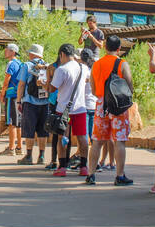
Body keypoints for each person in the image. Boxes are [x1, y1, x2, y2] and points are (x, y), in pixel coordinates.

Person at [85, 33, 135, 186]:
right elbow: (130, 87)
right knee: (119, 140)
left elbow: (93, 89)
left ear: (105, 47)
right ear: (119, 48)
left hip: (101, 104)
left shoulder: (97, 64)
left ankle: (91, 174)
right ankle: (120, 176)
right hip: (118, 106)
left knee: (97, 142)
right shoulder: (122, 64)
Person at [49, 44, 91, 177]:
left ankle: (62, 167)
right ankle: (84, 166)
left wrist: (43, 83)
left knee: (63, 137)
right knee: (82, 137)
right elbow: (88, 80)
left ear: (62, 54)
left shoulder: (61, 70)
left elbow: (52, 89)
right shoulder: (83, 67)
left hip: (63, 110)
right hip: (80, 108)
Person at [16, 44, 51, 166]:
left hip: (30, 101)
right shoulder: (47, 66)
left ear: (32, 54)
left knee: (29, 129)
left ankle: (29, 156)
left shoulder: (27, 65)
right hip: (45, 102)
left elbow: (21, 84)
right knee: (43, 130)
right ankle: (41, 156)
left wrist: (19, 101)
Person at [1, 43, 24, 156]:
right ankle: (19, 147)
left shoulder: (10, 64)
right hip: (20, 95)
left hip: (11, 94)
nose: (5, 52)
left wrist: (2, 93)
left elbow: (6, 80)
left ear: (13, 52)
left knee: (11, 122)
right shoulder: (20, 63)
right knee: (18, 122)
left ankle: (11, 148)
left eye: (7, 50)